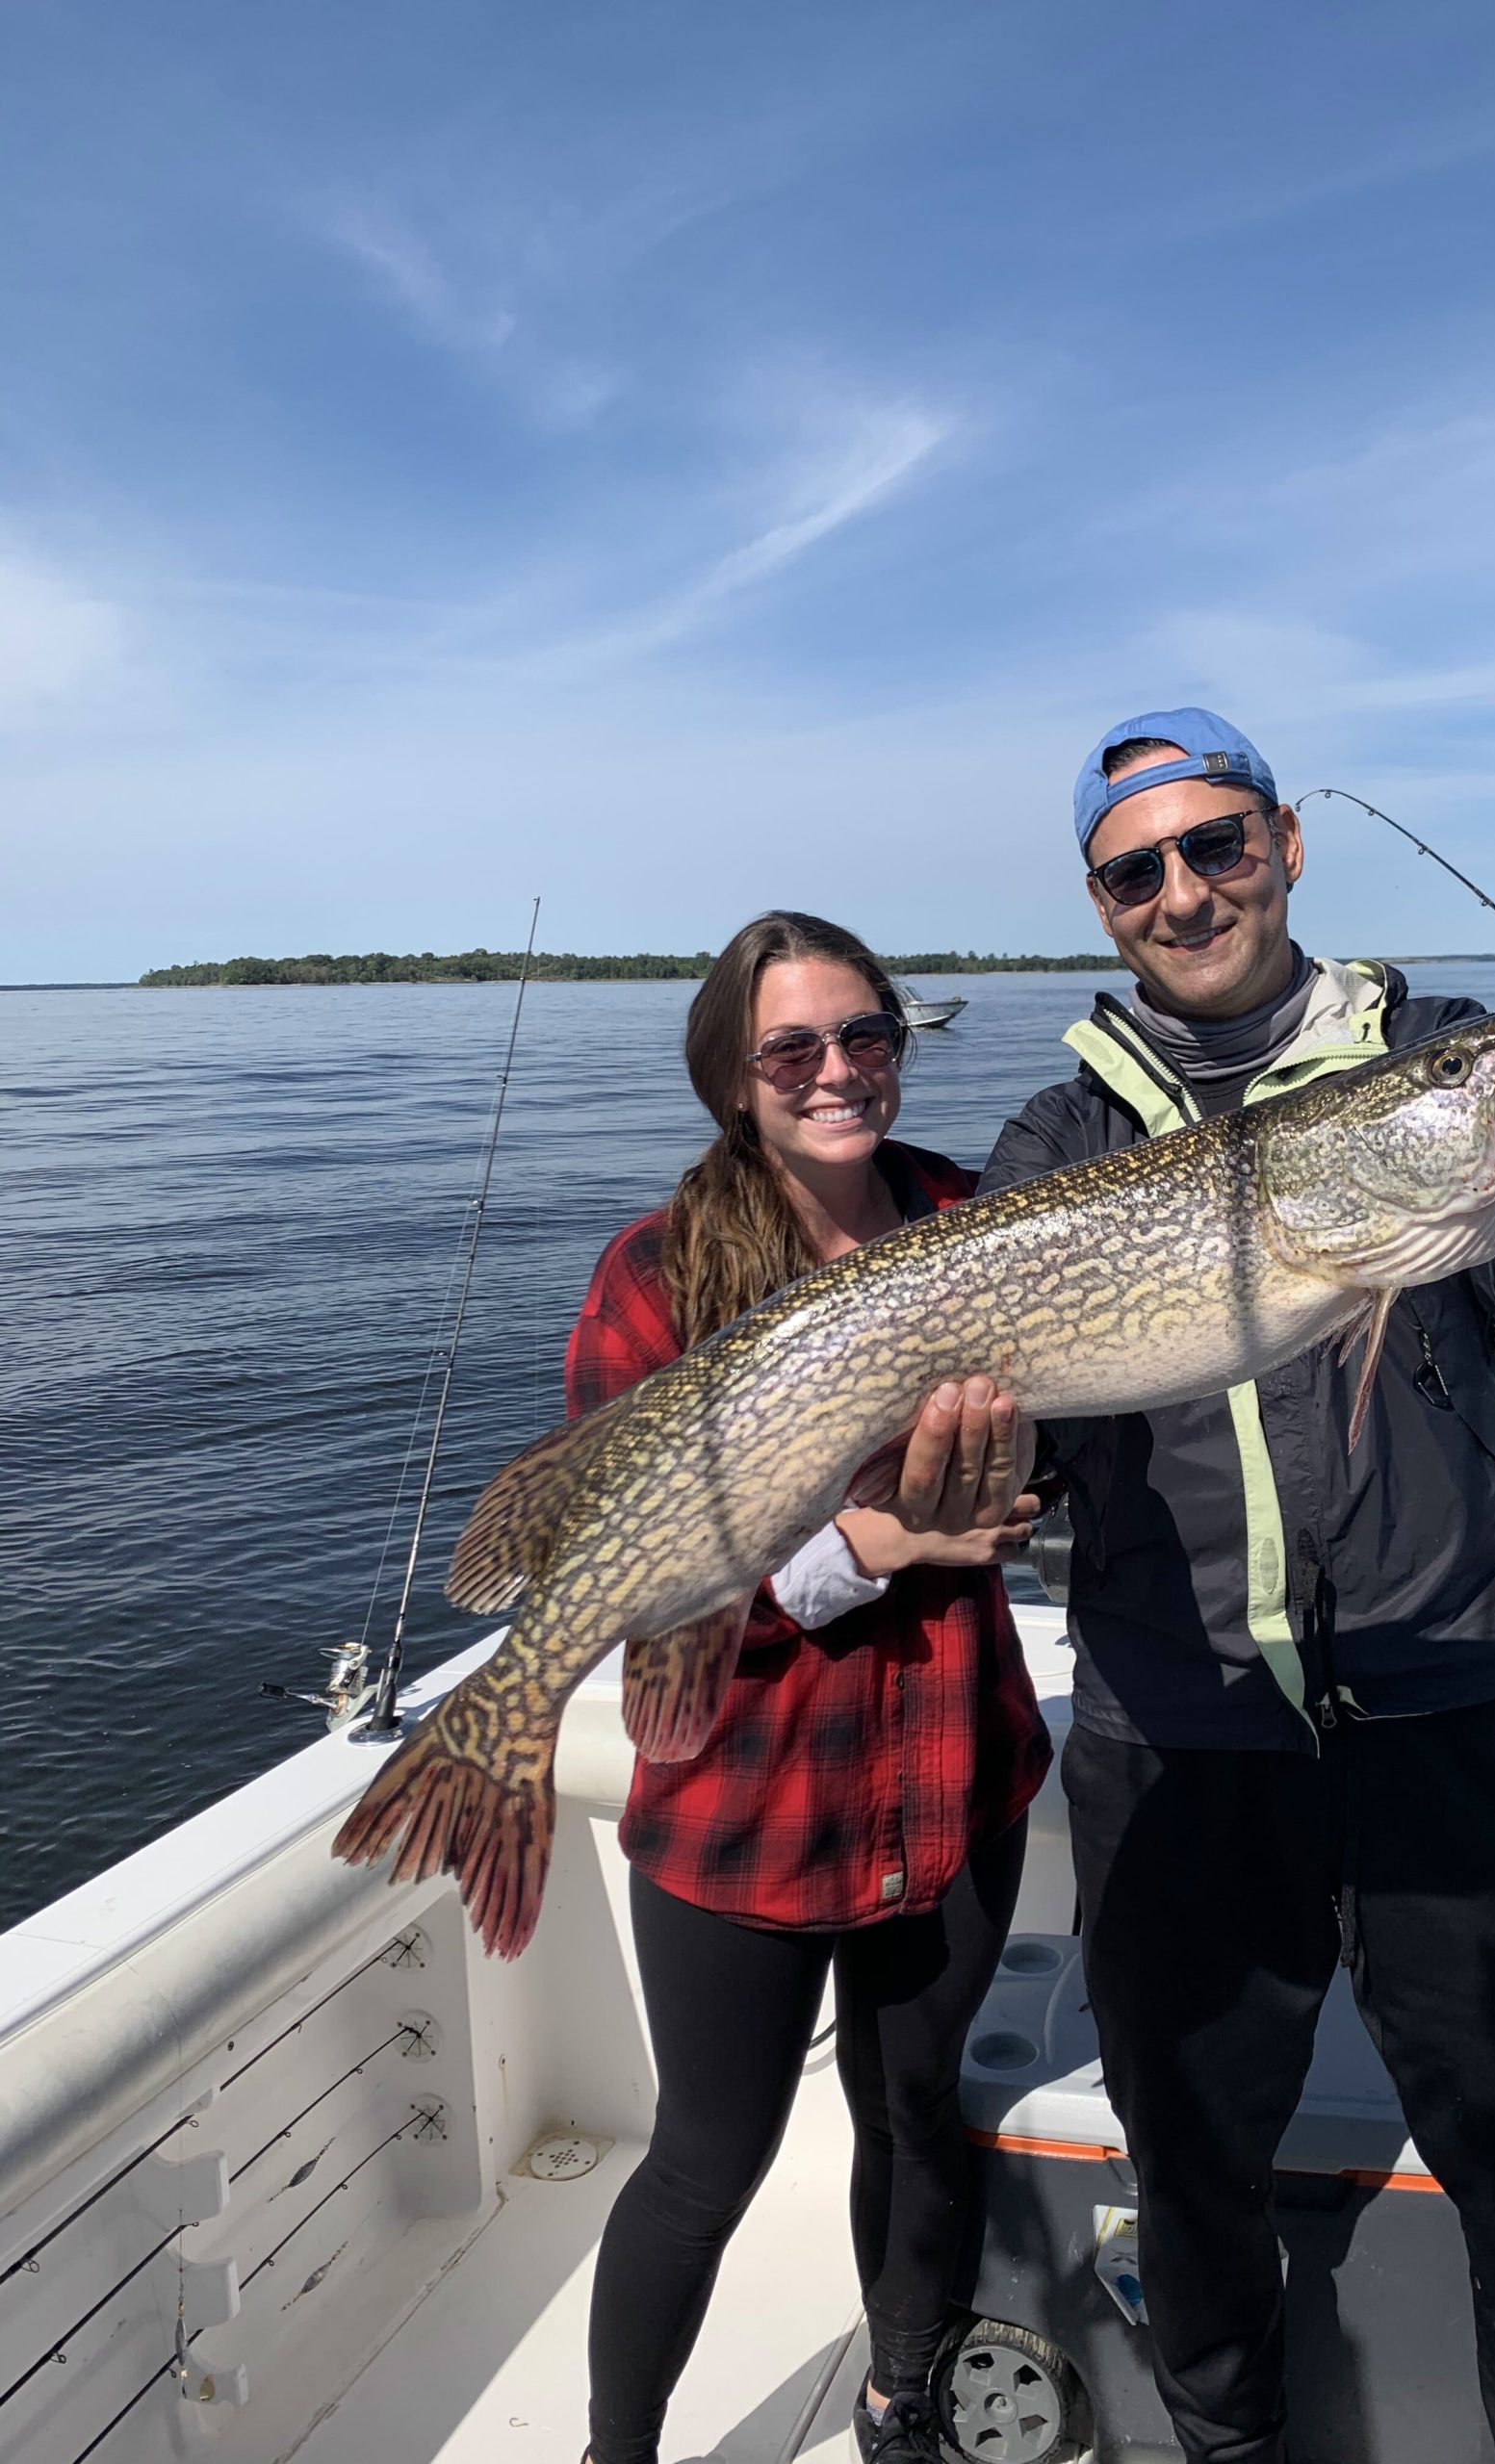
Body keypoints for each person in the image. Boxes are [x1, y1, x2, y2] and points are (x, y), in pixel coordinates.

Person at [978, 709, 1495, 2464]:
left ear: (1287, 843)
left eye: (1218, 844)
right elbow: (1034, 1457)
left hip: (1460, 1694)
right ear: (1099, 897)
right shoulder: (1054, 1142)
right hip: (1182, 1724)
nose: (1186, 889)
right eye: (1138, 867)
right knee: (1195, 2180)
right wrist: (972, 1474)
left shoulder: (1435, 1055)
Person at [568, 910, 1052, 2464]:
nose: (839, 1071)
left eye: (869, 1037)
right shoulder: (651, 1280)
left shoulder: (983, 1216)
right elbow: (640, 1588)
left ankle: (903, 2401)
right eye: (794, 1047)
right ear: (734, 1077)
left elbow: (1084, 1442)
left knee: (921, 2120)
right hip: (743, 1802)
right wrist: (869, 1544)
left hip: (950, 1773)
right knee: (707, 2161)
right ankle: (616, 2452)